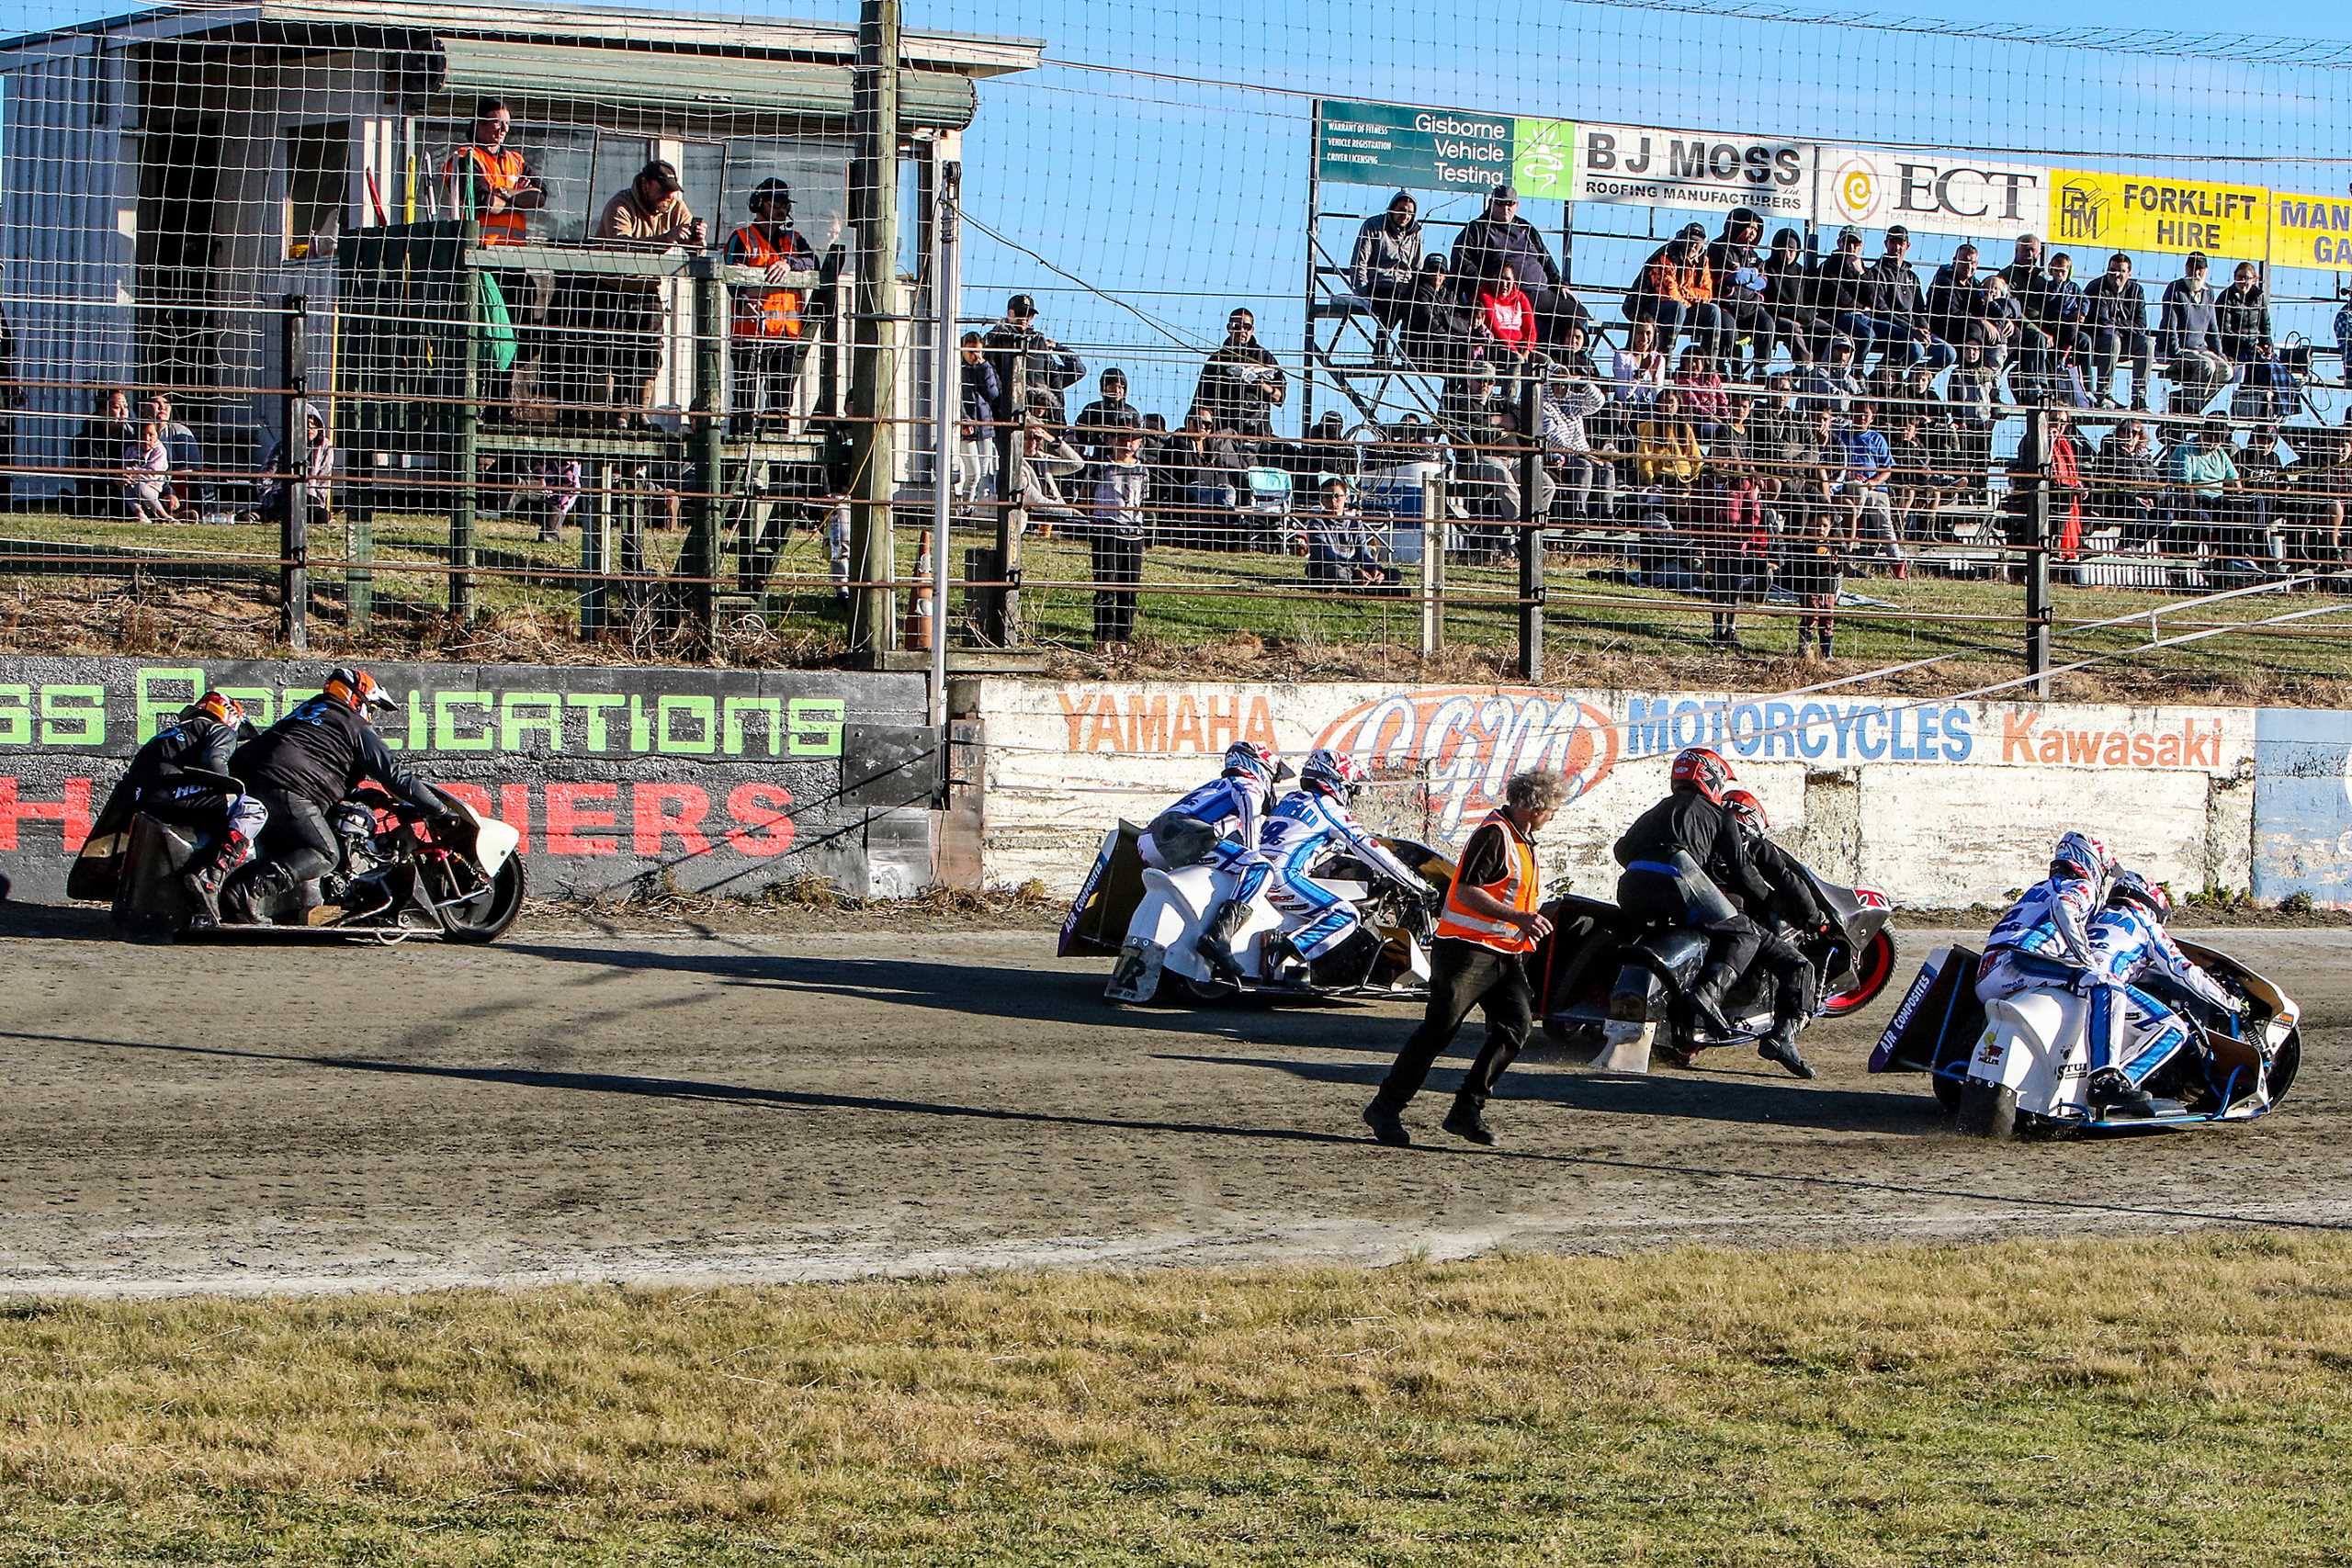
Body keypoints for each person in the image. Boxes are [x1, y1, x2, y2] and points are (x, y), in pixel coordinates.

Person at [1363, 768, 1566, 1148]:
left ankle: (1466, 1110)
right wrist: (1518, 918)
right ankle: (1385, 1107)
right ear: (1532, 807)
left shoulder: (1521, 838)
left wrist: (1520, 925)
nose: (1553, 815)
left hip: (1504, 952)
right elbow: (1469, 891)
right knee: (1439, 1031)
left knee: (1516, 1026)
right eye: (1551, 808)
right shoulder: (1495, 835)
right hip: (1465, 950)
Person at [223, 669, 448, 925]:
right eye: (372, 708)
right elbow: (396, 776)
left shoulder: (310, 711)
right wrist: (439, 809)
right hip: (289, 789)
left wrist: (364, 795)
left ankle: (284, 906)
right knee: (324, 852)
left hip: (251, 785)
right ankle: (245, 891)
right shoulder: (352, 723)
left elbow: (313, 760)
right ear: (358, 699)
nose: (371, 715)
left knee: (294, 848)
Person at [1611, 747, 1776, 1036]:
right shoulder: (1719, 815)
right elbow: (1742, 870)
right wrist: (1770, 900)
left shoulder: (1656, 809)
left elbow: (1621, 851)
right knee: (1743, 933)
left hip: (1631, 888)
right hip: (1678, 882)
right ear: (1710, 777)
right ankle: (1708, 995)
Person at [1254, 749, 1429, 989]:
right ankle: (1286, 953)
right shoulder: (1329, 808)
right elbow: (1369, 848)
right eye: (1350, 788)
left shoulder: (1290, 800)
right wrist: (1415, 882)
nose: (1350, 794)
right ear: (1336, 781)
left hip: (1259, 871)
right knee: (1345, 914)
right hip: (1283, 875)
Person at [2079, 871, 2239, 1117]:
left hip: (2071, 981)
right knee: (2173, 1029)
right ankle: (2118, 1084)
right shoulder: (2145, 924)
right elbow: (2183, 970)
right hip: (2106, 984)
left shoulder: (2092, 916)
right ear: (2149, 902)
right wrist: (2227, 1000)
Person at [103, 691, 269, 927]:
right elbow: (215, 763)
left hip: (145, 802)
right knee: (253, 809)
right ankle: (211, 876)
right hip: (174, 798)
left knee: (224, 812)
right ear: (230, 716)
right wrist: (231, 788)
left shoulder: (165, 735)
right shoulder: (219, 729)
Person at [441, 99, 549, 414]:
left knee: (517, 329)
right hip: (482, 257)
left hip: (512, 258)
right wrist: (514, 195)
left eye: (506, 124)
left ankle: (502, 402)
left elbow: (540, 196)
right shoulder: (465, 158)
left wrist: (505, 196)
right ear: (477, 124)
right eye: (495, 123)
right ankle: (483, 401)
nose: (502, 130)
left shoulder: (515, 160)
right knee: (486, 330)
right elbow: (484, 201)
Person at [589, 160, 706, 431]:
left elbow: (693, 247)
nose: (669, 197)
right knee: (612, 355)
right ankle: (613, 414)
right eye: (663, 190)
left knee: (650, 353)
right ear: (645, 184)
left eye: (672, 191)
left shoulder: (674, 205)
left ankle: (640, 414)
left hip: (648, 291)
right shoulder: (620, 205)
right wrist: (667, 238)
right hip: (610, 289)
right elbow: (622, 247)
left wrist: (696, 240)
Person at [1718, 790, 1825, 1077]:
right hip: (1734, 921)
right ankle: (1783, 1037)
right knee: (1800, 967)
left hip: (1690, 911)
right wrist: (1814, 917)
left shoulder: (1703, 832)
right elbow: (1787, 879)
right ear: (1751, 818)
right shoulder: (1750, 843)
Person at [1975, 830, 2120, 1013]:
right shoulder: (2083, 886)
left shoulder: (2039, 888)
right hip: (2018, 965)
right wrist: (2087, 960)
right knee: (2104, 984)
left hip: (1985, 975)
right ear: (2092, 863)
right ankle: (2108, 1044)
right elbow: (2064, 907)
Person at [723, 177, 820, 432]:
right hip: (750, 334)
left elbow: (813, 262)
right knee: (744, 401)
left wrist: (789, 263)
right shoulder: (741, 238)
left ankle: (776, 458)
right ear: (760, 204)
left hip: (786, 334)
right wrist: (743, 301)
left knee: (780, 404)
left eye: (784, 204)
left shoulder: (795, 241)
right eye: (775, 203)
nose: (781, 209)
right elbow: (731, 276)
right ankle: (739, 451)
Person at [1450, 184, 1567, 342]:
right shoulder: (1478, 228)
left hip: (1540, 290)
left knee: (1576, 313)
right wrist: (1481, 282)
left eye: (1510, 204)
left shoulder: (1526, 228)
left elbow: (1545, 256)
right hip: (1502, 294)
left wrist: (1558, 283)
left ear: (1517, 205)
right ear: (1491, 204)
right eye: (1500, 203)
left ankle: (1569, 361)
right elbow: (1460, 257)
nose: (1505, 208)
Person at [982, 294, 1086, 429]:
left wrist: (1057, 412)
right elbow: (991, 375)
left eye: (1029, 315)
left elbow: (1057, 376)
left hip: (1040, 416)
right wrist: (1002, 404)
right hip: (1007, 414)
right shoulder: (994, 338)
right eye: (1020, 313)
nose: (1024, 318)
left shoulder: (1038, 341)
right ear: (1010, 313)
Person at [1625, 222, 1724, 359]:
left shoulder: (1703, 261)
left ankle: (1709, 365)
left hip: (1683, 307)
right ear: (1683, 240)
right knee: (1678, 308)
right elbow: (1668, 293)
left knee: (1713, 310)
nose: (1693, 246)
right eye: (1691, 241)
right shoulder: (1667, 255)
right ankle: (1665, 359)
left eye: (1698, 243)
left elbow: (1708, 293)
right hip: (1649, 307)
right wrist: (1690, 299)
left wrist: (1687, 292)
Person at [1860, 226, 1952, 372]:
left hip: (1913, 329)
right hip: (1890, 327)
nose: (1896, 247)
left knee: (1948, 352)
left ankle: (1917, 380)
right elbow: (1880, 309)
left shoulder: (1912, 277)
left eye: (1900, 242)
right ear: (1886, 244)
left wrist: (1924, 329)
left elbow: (1919, 309)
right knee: (1916, 349)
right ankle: (1880, 378)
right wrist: (1910, 329)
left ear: (1907, 245)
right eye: (1892, 242)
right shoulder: (1876, 273)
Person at [1089, 432, 1148, 649]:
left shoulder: (1144, 470)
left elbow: (1144, 500)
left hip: (1133, 534)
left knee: (1129, 588)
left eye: (1133, 439)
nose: (1128, 444)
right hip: (1106, 532)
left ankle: (1123, 638)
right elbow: (1088, 493)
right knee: (1105, 586)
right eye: (1122, 439)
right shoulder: (1101, 467)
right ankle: (1103, 637)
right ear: (1111, 441)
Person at [1193, 308, 1285, 446]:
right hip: (1223, 433)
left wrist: (1256, 382)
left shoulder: (1264, 357)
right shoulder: (1217, 360)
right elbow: (1201, 400)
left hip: (1257, 434)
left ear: (1252, 330)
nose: (1242, 331)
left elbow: (1279, 397)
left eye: (1246, 327)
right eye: (1236, 326)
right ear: (1229, 328)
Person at [1706, 207, 1778, 378]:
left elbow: (1762, 282)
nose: (1753, 232)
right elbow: (1732, 278)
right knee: (1729, 331)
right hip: (1726, 306)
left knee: (1767, 324)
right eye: (1750, 227)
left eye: (1756, 229)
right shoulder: (1719, 247)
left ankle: (1760, 368)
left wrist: (1748, 274)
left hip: (1751, 307)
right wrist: (1748, 274)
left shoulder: (1754, 255)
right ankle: (1724, 369)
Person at [2160, 253, 2232, 416]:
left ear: (2206, 271)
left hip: (2201, 348)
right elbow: (2169, 325)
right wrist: (2175, 352)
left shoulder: (2209, 292)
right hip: (2181, 348)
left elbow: (2212, 328)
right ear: (2186, 268)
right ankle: (2189, 408)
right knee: (2207, 366)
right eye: (2192, 268)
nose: (2196, 273)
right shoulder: (2176, 289)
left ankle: (2187, 403)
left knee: (2226, 371)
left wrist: (2219, 353)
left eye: (2200, 269)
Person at [1835, 399, 1903, 572]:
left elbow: (1887, 469)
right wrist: (1848, 473)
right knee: (1858, 489)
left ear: (1872, 417)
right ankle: (1849, 547)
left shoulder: (1877, 439)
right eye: (1858, 413)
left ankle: (1897, 563)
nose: (1862, 418)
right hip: (1849, 486)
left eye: (1866, 414)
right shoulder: (1841, 436)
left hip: (1875, 488)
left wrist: (1872, 482)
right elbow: (1835, 462)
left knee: (1885, 523)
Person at [2083, 252, 2154, 412]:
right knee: (2112, 339)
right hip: (2098, 342)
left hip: (2124, 341)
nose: (2116, 275)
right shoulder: (2097, 288)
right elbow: (2102, 324)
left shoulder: (2137, 291)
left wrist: (2118, 326)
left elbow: (2142, 325)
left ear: (2129, 273)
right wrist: (2127, 326)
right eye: (2112, 270)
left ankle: (2139, 398)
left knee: (2147, 342)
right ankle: (2103, 394)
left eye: (2121, 271)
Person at [247, 401, 333, 525]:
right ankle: (264, 513)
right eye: (306, 423)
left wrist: (320, 502)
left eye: (314, 424)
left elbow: (323, 479)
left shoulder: (325, 447)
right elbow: (266, 475)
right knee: (283, 507)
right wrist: (268, 497)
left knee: (323, 516)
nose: (310, 428)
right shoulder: (282, 446)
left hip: (309, 498)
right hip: (283, 495)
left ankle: (264, 515)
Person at [1349, 190, 1422, 326]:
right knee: (1396, 299)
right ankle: (1382, 343)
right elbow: (1360, 261)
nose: (1405, 216)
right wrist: (1362, 290)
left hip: (1405, 285)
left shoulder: (1415, 233)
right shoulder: (1373, 226)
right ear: (1392, 208)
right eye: (1401, 210)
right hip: (1379, 283)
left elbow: (1417, 265)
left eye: (1410, 213)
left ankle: (1405, 345)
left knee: (1419, 305)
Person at [1072, 368, 1145, 480]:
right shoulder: (1094, 409)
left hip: (1125, 460)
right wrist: (1103, 437)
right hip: (1099, 458)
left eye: (1121, 387)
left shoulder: (1131, 412)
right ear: (1104, 388)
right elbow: (1081, 434)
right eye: (1112, 386)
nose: (1117, 390)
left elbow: (1138, 438)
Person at [71, 389, 134, 516]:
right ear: (102, 411)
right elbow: (89, 476)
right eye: (116, 407)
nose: (123, 412)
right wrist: (114, 479)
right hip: (98, 492)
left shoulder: (133, 437)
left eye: (126, 407)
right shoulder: (85, 440)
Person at [1762, 228, 1818, 368]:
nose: (1787, 255)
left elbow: (1812, 303)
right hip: (1777, 318)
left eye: (1791, 251)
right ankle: (1805, 367)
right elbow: (1765, 303)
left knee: (1833, 333)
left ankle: (1826, 370)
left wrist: (1805, 317)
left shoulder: (1801, 273)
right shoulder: (1767, 269)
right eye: (1783, 250)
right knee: (1792, 328)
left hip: (1803, 318)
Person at [146, 392, 207, 513]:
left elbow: (192, 468)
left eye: (166, 403)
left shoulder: (180, 432)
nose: (162, 407)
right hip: (146, 482)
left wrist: (170, 490)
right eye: (157, 403)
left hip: (173, 484)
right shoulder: (133, 431)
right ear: (143, 407)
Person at [2214, 262, 2272, 367]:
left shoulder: (2259, 297)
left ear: (2254, 280)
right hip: (2231, 350)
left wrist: (2267, 343)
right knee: (2258, 368)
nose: (2243, 281)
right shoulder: (2226, 298)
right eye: (2240, 277)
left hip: (2254, 348)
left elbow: (2265, 325)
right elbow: (2224, 332)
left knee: (2274, 369)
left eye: (2247, 278)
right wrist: (2251, 345)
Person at [121, 419, 175, 523]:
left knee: (140, 487)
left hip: (152, 486)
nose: (146, 438)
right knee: (123, 485)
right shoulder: (131, 450)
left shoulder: (159, 450)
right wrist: (126, 475)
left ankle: (164, 515)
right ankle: (140, 513)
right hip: (132, 482)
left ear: (157, 435)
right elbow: (125, 466)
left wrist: (133, 474)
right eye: (142, 435)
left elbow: (152, 474)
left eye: (151, 435)